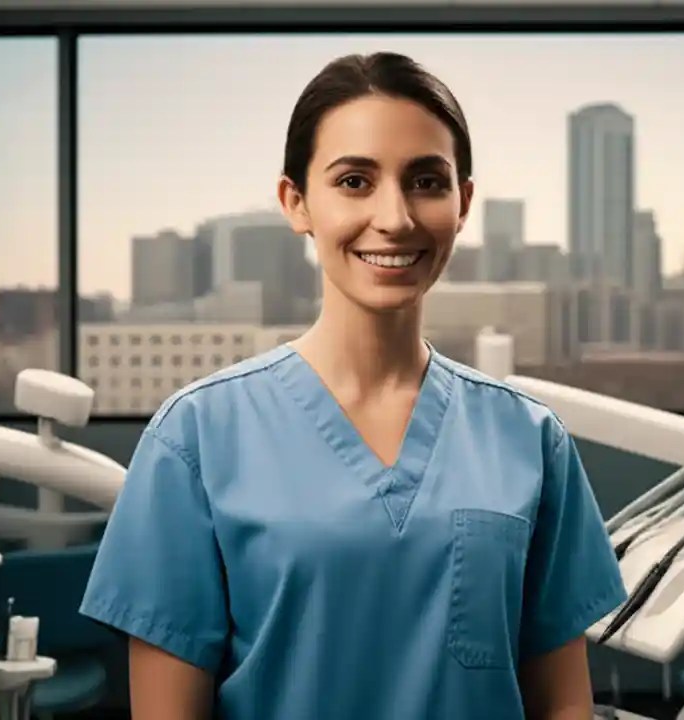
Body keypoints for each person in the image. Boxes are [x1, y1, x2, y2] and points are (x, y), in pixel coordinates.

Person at [79, 50, 627, 720]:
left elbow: (561, 707)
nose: (395, 217)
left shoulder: (528, 439)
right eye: (355, 181)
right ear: (296, 202)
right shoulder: (197, 437)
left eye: (427, 180)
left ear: (464, 204)